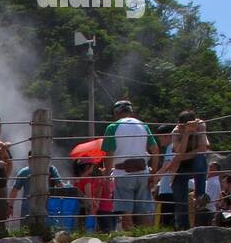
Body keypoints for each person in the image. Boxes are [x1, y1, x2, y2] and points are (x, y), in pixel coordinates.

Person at [102, 99, 159, 229]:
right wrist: (153, 173)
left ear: (116, 113)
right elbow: (155, 150)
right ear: (131, 112)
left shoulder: (112, 127)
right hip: (143, 172)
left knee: (125, 212)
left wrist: (106, 177)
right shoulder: (143, 126)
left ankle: (130, 240)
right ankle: (147, 237)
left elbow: (109, 155)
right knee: (144, 211)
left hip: (123, 174)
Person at [169, 110, 210, 229]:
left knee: (200, 159)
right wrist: (186, 134)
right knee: (179, 193)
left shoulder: (200, 125)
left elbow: (203, 148)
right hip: (180, 165)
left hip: (194, 161)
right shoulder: (176, 132)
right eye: (182, 127)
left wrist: (183, 156)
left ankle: (200, 194)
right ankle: (184, 227)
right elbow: (179, 152)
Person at [10, 159, 63, 226]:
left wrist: (10, 206)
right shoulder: (51, 169)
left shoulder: (24, 172)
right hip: (47, 207)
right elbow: (60, 186)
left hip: (28, 209)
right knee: (45, 230)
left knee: (26, 230)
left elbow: (14, 190)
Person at [75, 158, 114, 232]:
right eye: (92, 166)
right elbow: (88, 196)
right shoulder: (87, 180)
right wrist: (93, 209)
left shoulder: (77, 179)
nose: (93, 168)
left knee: (81, 227)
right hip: (88, 209)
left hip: (79, 207)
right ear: (87, 167)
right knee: (91, 229)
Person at [152, 124, 176, 225]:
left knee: (167, 221)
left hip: (169, 191)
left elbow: (165, 167)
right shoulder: (171, 148)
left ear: (168, 136)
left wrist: (153, 179)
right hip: (168, 190)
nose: (159, 140)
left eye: (160, 137)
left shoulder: (171, 148)